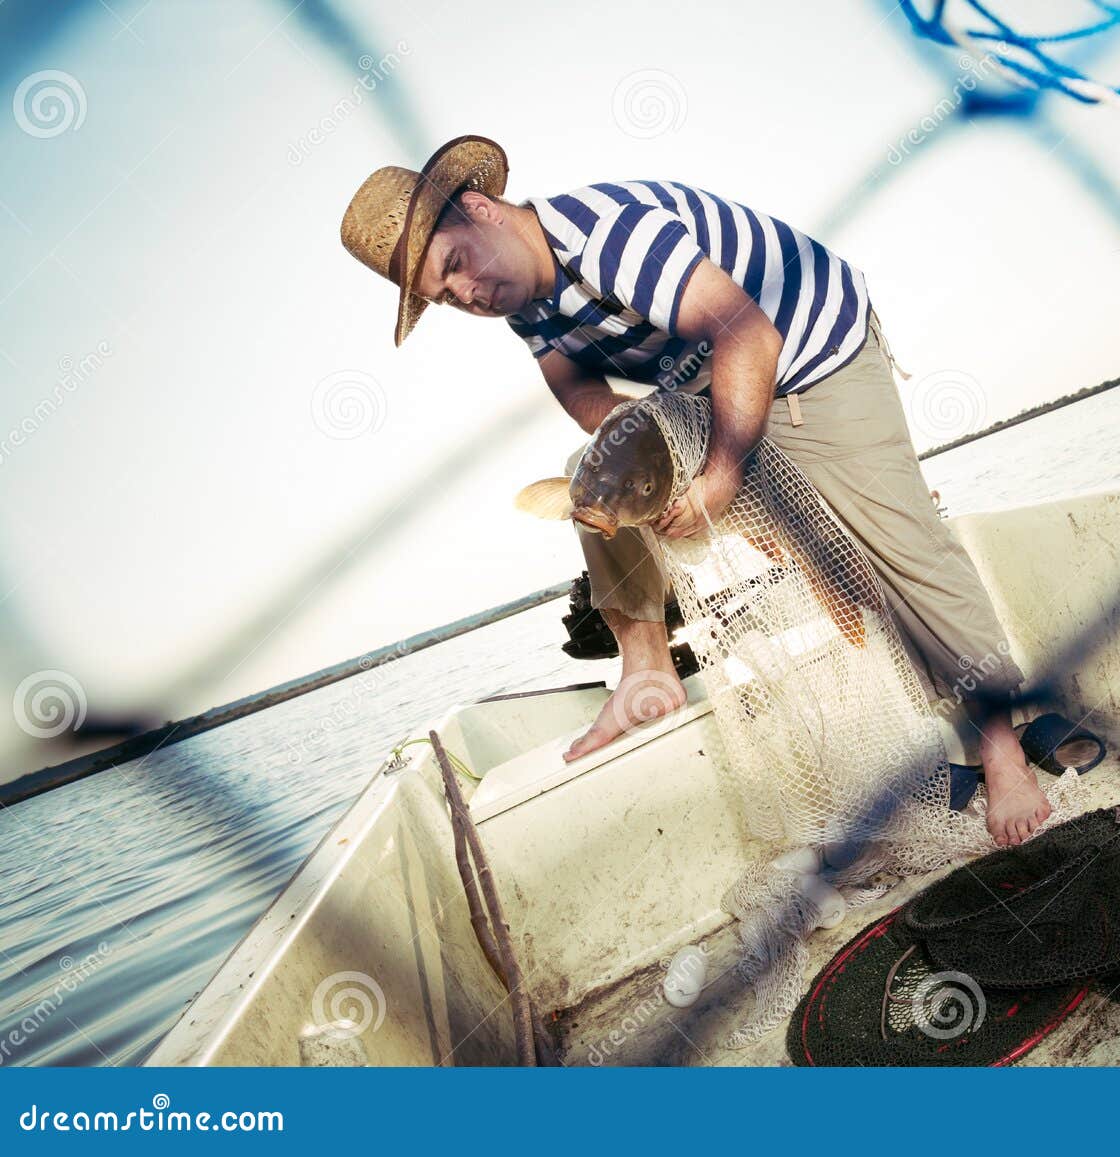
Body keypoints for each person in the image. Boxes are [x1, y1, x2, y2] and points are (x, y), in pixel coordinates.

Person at [340, 135, 1050, 846]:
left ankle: (1001, 745)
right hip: (717, 383)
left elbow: (750, 331)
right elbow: (583, 393)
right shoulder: (520, 298)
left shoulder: (608, 235)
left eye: (455, 266)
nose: (467, 296)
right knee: (593, 467)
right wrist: (646, 473)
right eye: (445, 297)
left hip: (810, 354)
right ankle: (646, 669)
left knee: (905, 553)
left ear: (479, 208)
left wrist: (722, 473)